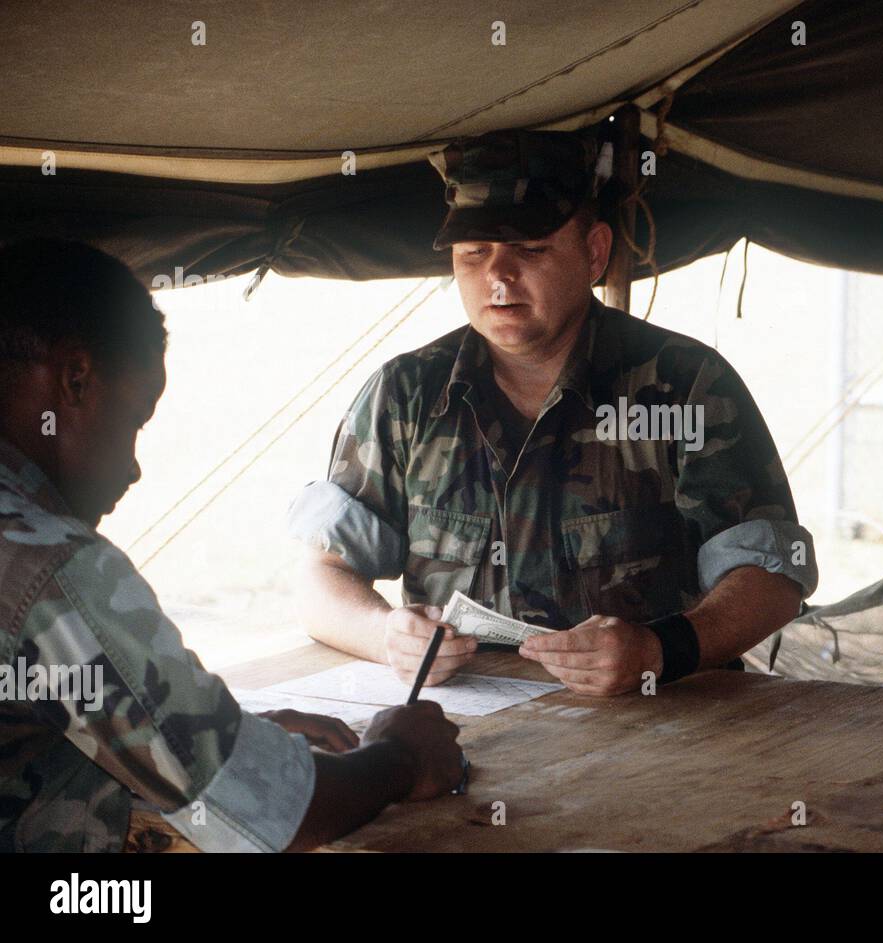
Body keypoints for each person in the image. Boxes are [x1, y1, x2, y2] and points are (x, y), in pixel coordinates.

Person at [290, 129, 817, 696]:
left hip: (657, 724)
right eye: (473, 254)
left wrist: (662, 649)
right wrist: (385, 635)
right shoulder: (406, 395)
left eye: (530, 249)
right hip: (469, 730)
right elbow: (322, 576)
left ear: (593, 252)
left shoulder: (684, 386)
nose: (497, 277)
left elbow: (771, 575)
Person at [0, 239, 464, 852]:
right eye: (134, 419)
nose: (133, 467)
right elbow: (278, 817)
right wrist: (401, 754)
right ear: (76, 379)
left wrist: (207, 736)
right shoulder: (48, 564)